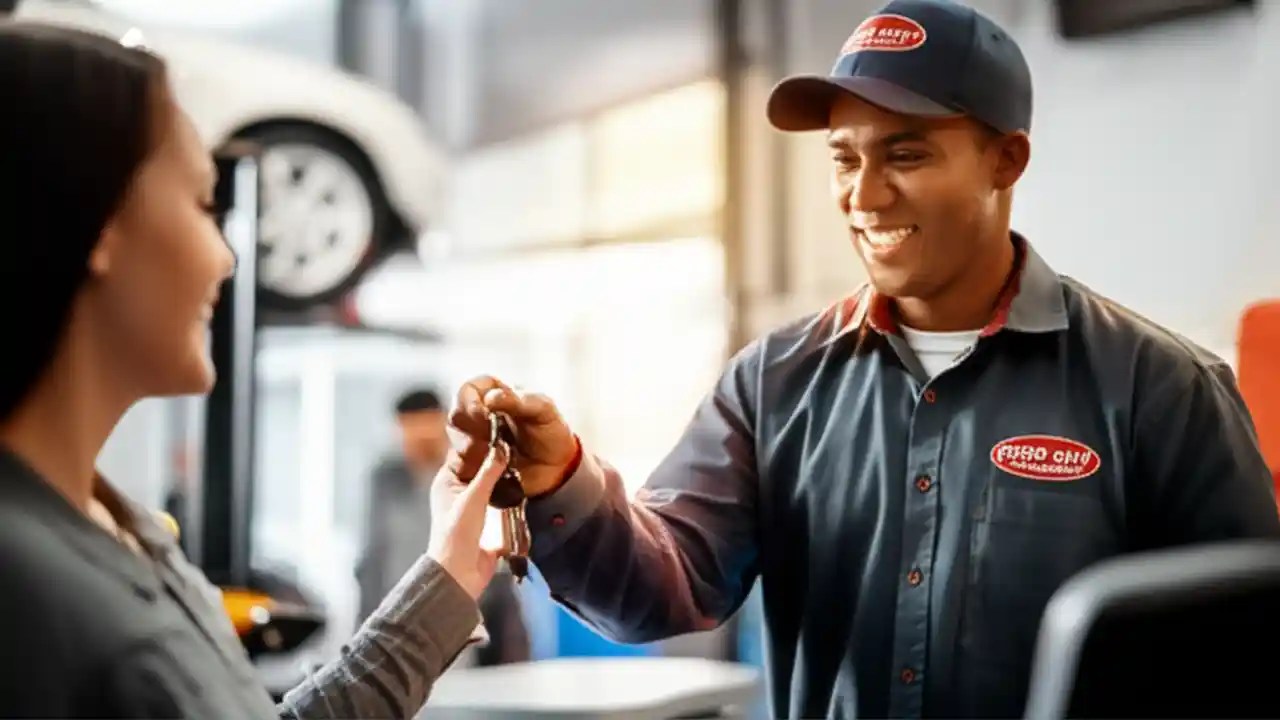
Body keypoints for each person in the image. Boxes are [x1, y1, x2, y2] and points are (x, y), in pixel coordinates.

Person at [444, 1, 1280, 718]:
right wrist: (563, 479)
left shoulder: (1160, 389)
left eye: (906, 155)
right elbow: (663, 587)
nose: (865, 195)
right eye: (845, 158)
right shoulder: (774, 383)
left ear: (1007, 160)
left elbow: (1243, 652)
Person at [0, 22, 508, 718]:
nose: (227, 258)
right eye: (204, 205)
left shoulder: (123, 529)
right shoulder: (23, 589)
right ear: (101, 223)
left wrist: (447, 574)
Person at [357, 387, 530, 664]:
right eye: (411, 435)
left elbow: (498, 566)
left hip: (461, 626)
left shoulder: (473, 477)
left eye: (427, 434)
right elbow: (373, 559)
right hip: (397, 628)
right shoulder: (385, 481)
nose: (420, 445)